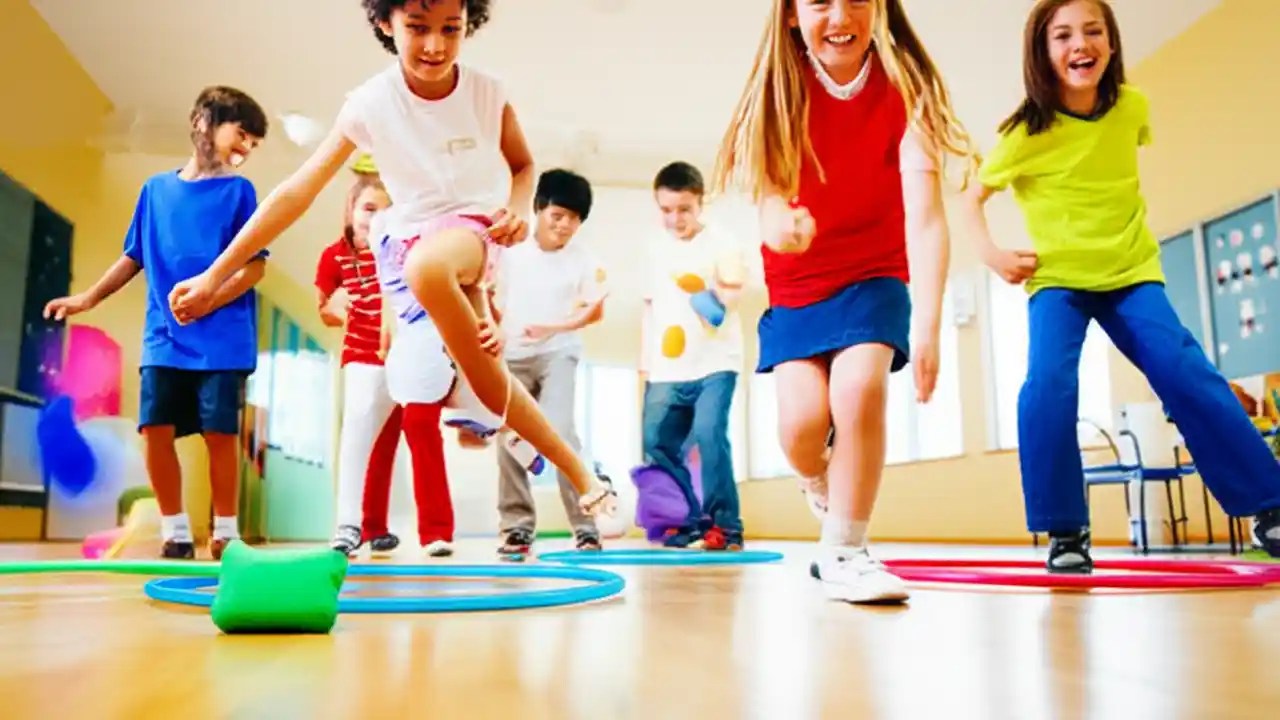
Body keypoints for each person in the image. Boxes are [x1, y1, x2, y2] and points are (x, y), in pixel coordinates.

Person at [166, 0, 616, 521]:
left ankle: (490, 374)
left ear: (469, 21)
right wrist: (213, 275)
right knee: (475, 384)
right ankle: (578, 471)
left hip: (473, 233)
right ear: (385, 23)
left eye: (452, 28)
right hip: (409, 248)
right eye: (417, 28)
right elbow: (296, 192)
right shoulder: (371, 103)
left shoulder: (487, 92)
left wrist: (518, 210)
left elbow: (523, 165)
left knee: (431, 272)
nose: (436, 45)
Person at [959, 0, 1280, 571]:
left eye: (1093, 31)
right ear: (1043, 51)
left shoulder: (1133, 107)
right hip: (1059, 279)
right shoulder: (1024, 131)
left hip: (1131, 271)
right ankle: (1065, 531)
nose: (1079, 44)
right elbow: (970, 200)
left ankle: (1269, 505)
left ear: (1110, 44)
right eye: (1062, 35)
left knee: (1185, 368)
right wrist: (993, 255)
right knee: (1047, 387)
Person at [713, 0, 975, 602]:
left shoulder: (907, 87)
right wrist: (782, 227)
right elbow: (771, 201)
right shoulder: (780, 90)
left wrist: (931, 321)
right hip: (798, 288)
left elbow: (929, 219)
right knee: (801, 428)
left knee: (858, 390)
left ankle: (846, 552)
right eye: (819, 2)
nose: (840, 15)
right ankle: (818, 477)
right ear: (789, 14)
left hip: (875, 274)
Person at [44, 86, 270, 560]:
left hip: (222, 341)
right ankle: (176, 530)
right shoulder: (155, 192)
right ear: (203, 121)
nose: (247, 148)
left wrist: (210, 299)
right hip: (165, 337)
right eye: (243, 134)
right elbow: (133, 257)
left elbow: (255, 267)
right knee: (156, 428)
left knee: (219, 433)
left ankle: (226, 531)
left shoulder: (239, 193)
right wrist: (87, 297)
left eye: (254, 142)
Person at [491, 168, 608, 557]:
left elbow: (594, 312)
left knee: (559, 432)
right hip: (512, 356)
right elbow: (487, 296)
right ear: (539, 209)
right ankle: (517, 526)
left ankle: (586, 525)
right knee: (511, 439)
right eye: (557, 215)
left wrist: (552, 327)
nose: (564, 225)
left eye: (573, 219)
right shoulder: (511, 250)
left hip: (559, 351)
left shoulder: (583, 259)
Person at [639, 162, 747, 551]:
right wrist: (645, 365)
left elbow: (733, 292)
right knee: (656, 441)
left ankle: (725, 528)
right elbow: (649, 307)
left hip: (716, 362)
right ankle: (687, 522)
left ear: (700, 203)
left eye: (684, 209)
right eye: (666, 210)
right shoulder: (654, 248)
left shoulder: (723, 242)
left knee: (709, 434)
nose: (675, 218)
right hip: (667, 368)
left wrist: (714, 301)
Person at [315, 163, 403, 556]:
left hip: (402, 358)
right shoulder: (334, 257)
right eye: (369, 208)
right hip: (362, 355)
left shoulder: (398, 253)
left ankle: (375, 525)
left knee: (386, 446)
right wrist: (335, 306)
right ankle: (347, 525)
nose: (376, 218)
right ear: (351, 209)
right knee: (357, 428)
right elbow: (326, 310)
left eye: (386, 211)